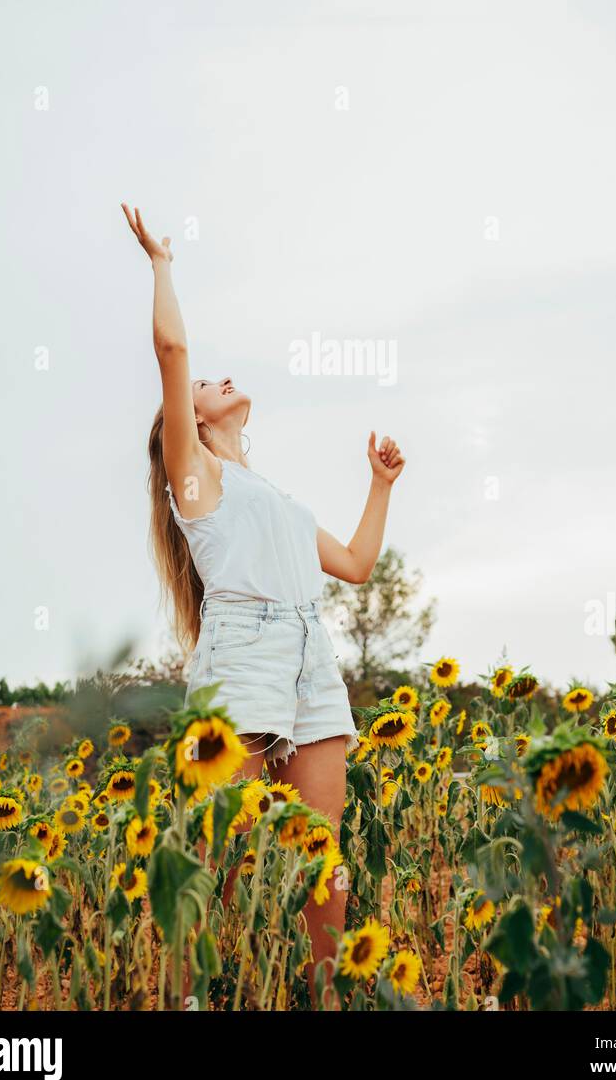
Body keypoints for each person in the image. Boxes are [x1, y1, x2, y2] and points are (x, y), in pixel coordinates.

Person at [121, 204, 405, 993]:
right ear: (186, 422)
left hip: (311, 656)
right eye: (206, 386)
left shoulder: (269, 493)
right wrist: (163, 264)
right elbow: (173, 350)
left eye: (216, 379)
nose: (217, 379)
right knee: (225, 853)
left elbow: (352, 564)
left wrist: (379, 486)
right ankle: (207, 995)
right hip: (243, 655)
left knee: (323, 860)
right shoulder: (195, 477)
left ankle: (320, 997)